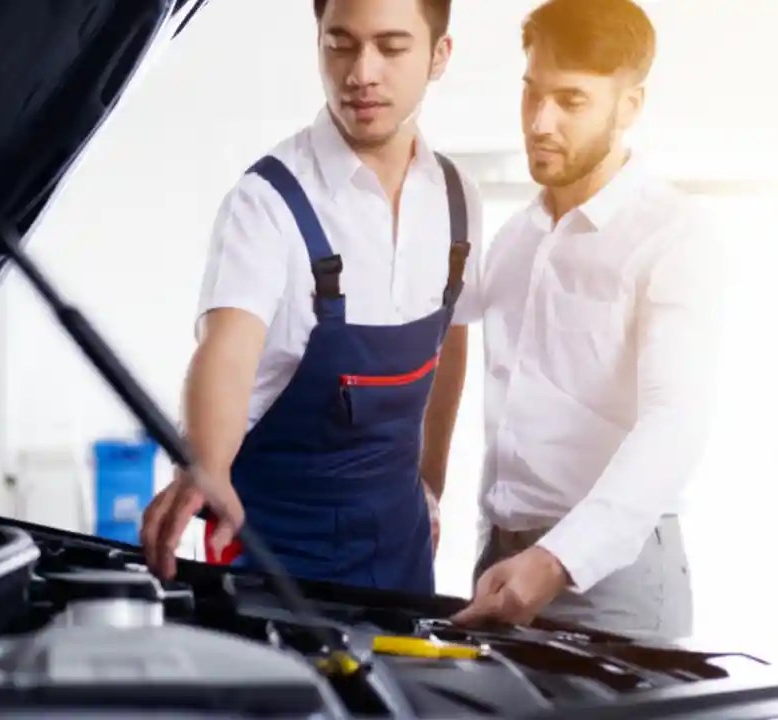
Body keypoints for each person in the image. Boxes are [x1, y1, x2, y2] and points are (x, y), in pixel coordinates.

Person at [139, 0, 482, 594]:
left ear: (439, 56)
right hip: (275, 560)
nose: (361, 72)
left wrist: (432, 483)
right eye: (340, 44)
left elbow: (450, 339)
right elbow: (227, 347)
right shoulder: (267, 201)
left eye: (392, 48)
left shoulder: (456, 195)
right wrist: (207, 463)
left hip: (401, 554)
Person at [453, 0, 722, 637]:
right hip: (501, 558)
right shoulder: (514, 240)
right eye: (531, 95)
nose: (540, 123)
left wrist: (557, 558)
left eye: (571, 102)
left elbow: (676, 421)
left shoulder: (674, 235)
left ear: (628, 107)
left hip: (611, 576)